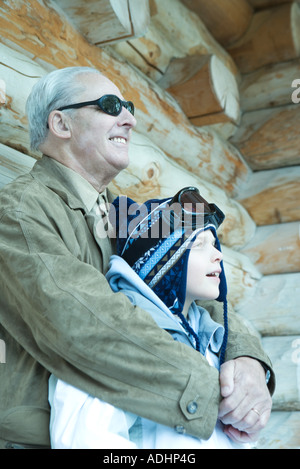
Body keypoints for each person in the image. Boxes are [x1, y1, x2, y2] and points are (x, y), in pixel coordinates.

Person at [0, 66, 274, 449]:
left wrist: (246, 360)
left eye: (128, 106)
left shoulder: (126, 213)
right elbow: (79, 321)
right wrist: (214, 389)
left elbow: (193, 290)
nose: (128, 118)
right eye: (111, 106)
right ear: (60, 123)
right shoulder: (18, 212)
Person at [48, 187, 251, 449]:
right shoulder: (117, 336)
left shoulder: (211, 339)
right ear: (164, 263)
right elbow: (83, 440)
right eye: (199, 245)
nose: (218, 255)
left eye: (214, 244)